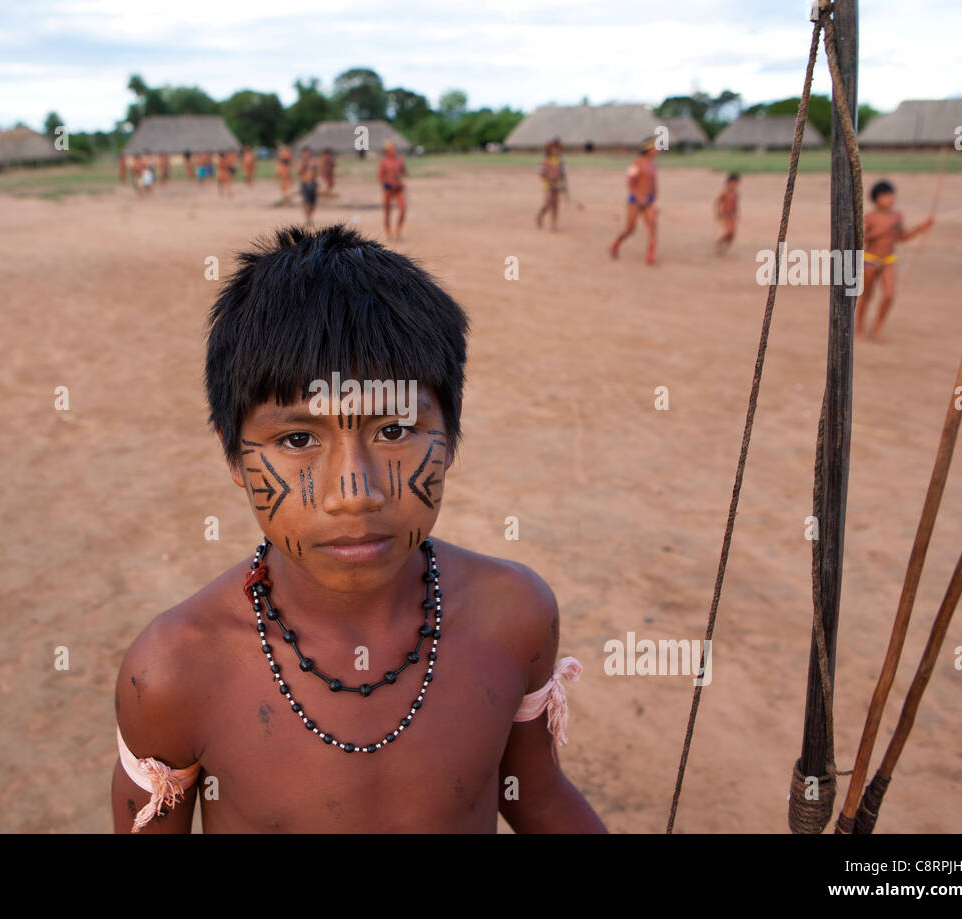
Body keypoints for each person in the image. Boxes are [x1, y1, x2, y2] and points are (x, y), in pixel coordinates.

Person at [111, 224, 607, 834]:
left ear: (450, 437)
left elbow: (538, 796)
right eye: (298, 439)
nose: (356, 494)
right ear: (235, 457)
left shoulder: (513, 616)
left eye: (394, 431)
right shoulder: (173, 672)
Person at [856, 180, 935, 341]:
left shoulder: (897, 216)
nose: (889, 199)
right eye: (885, 196)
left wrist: (921, 228)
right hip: (870, 259)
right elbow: (862, 238)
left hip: (888, 260)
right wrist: (881, 230)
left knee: (889, 295)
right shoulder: (869, 218)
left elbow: (902, 238)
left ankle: (877, 328)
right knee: (867, 296)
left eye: (891, 195)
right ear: (876, 199)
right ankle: (859, 327)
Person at [610, 137, 658, 264]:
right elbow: (630, 183)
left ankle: (650, 256)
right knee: (630, 229)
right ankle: (616, 244)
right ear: (647, 149)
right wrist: (638, 197)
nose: (657, 150)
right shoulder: (636, 164)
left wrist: (653, 201)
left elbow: (653, 185)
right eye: (654, 147)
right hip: (635, 201)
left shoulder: (653, 166)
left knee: (653, 227)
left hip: (649, 201)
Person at [377, 140, 407, 239]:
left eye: (394, 149)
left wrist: (401, 181)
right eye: (391, 149)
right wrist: (388, 183)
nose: (393, 151)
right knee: (387, 212)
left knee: (403, 209)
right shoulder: (383, 162)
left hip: (398, 188)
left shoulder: (399, 161)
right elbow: (380, 177)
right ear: (387, 151)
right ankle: (388, 232)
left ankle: (398, 231)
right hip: (388, 189)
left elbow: (404, 172)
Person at [535, 138, 566, 232]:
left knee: (556, 204)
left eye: (556, 149)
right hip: (548, 184)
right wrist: (548, 180)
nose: (555, 151)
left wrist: (562, 183)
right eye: (553, 149)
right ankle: (540, 215)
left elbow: (563, 174)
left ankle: (554, 223)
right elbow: (541, 173)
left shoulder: (560, 162)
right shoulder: (545, 161)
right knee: (548, 203)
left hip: (557, 184)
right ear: (549, 150)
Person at [714, 173, 740, 255]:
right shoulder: (725, 192)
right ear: (729, 182)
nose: (734, 185)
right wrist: (718, 212)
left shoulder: (736, 193)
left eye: (735, 183)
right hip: (725, 215)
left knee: (732, 235)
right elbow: (718, 202)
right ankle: (718, 245)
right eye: (732, 183)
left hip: (732, 216)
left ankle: (723, 249)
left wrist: (737, 214)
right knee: (729, 232)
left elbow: (735, 205)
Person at [298, 147, 318, 224]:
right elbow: (299, 171)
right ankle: (307, 218)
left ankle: (310, 217)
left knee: (312, 202)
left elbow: (316, 172)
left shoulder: (313, 161)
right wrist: (304, 165)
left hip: (313, 184)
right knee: (306, 202)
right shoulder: (301, 162)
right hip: (305, 183)